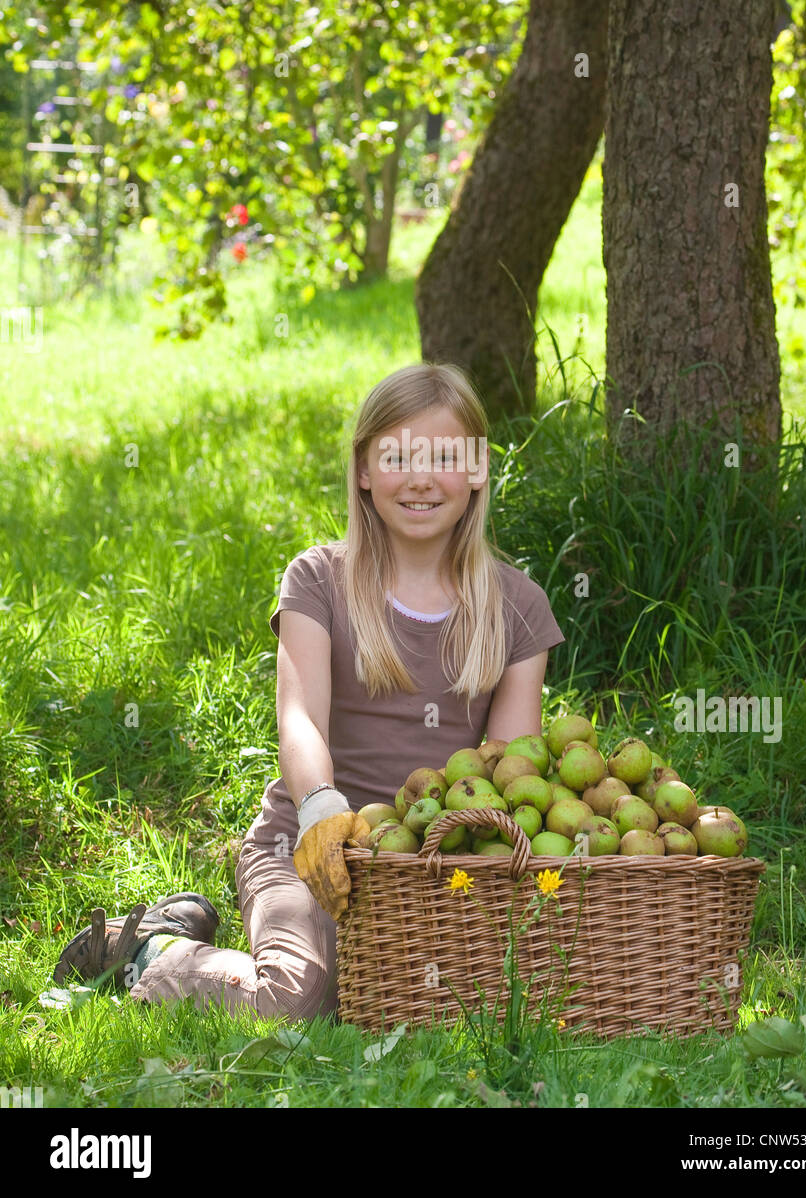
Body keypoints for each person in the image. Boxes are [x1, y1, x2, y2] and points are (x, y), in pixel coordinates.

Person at [53, 363, 565, 1019]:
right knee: (301, 1001)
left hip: (433, 862)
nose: (419, 476)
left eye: (444, 456)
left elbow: (507, 768)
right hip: (306, 847)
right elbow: (299, 720)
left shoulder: (517, 607)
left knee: (459, 998)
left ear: (477, 469)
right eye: (397, 455)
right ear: (362, 470)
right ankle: (151, 950)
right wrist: (322, 805)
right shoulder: (319, 579)